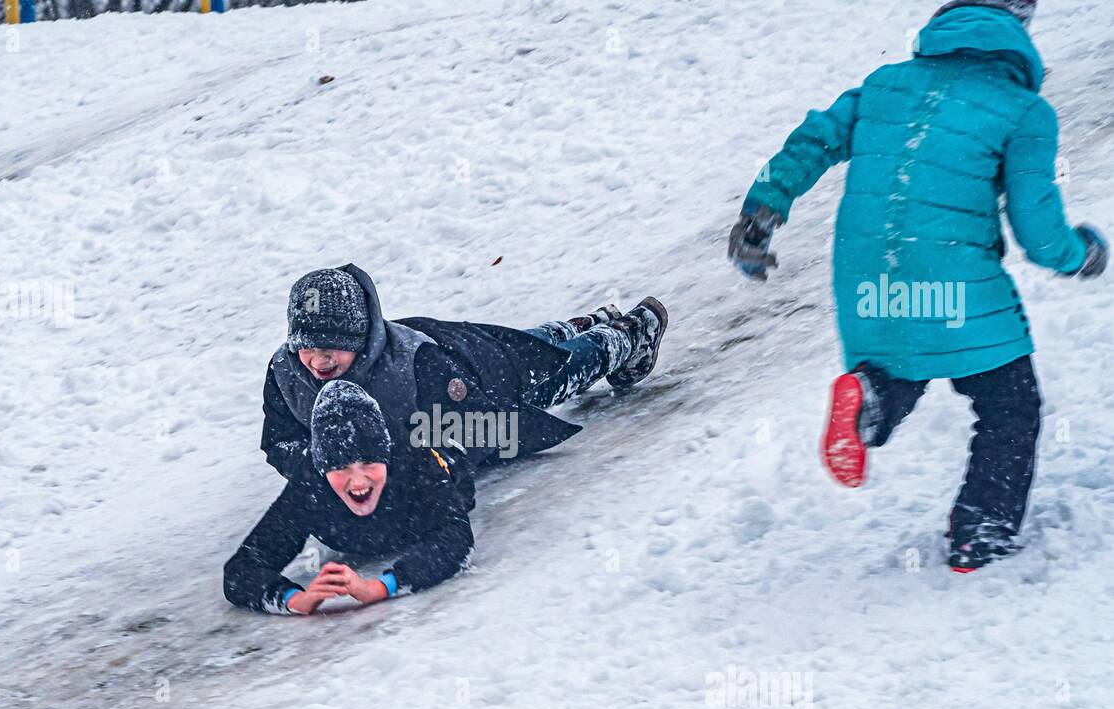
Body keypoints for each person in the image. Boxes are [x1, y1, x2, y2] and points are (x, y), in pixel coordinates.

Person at [727, 0, 1107, 572]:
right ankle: (981, 536)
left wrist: (761, 211)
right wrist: (1079, 254)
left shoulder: (885, 83)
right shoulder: (1024, 111)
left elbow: (813, 140)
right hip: (953, 274)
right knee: (1009, 408)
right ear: (1020, 27)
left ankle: (869, 405)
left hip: (865, 271)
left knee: (901, 363)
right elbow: (1037, 227)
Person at [261, 263, 669, 483]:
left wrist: (421, 466)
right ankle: (588, 320)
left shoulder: (413, 366)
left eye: (332, 349)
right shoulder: (286, 374)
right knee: (531, 342)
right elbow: (280, 441)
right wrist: (320, 466)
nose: (318, 361)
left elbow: (480, 430)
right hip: (463, 346)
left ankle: (630, 334)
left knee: (555, 369)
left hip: (485, 380)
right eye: (307, 349)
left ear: (361, 338)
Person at [224, 380, 475, 615]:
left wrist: (380, 587)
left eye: (369, 462)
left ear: (385, 456)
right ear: (323, 469)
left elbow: (455, 538)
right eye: (341, 467)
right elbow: (240, 571)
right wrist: (295, 600)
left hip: (454, 450)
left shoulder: (415, 462)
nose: (358, 482)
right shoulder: (310, 486)